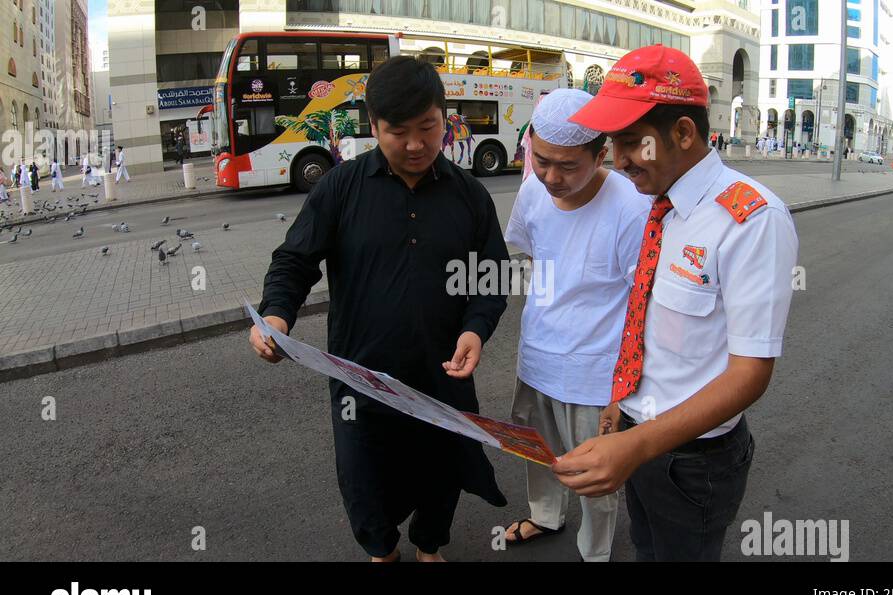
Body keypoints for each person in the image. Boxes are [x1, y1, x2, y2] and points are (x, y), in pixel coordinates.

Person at [251, 56, 509, 563]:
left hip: (443, 376)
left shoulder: (469, 195)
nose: (415, 145)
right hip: (361, 378)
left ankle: (429, 546)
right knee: (364, 477)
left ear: (445, 118)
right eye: (398, 132)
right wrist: (276, 316)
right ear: (373, 126)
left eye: (428, 128)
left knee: (443, 469)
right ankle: (382, 551)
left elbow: (491, 278)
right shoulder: (341, 188)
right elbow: (294, 261)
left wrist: (476, 329)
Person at [560, 44, 799, 561]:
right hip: (636, 438)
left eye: (630, 144)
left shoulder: (753, 220)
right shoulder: (660, 202)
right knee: (646, 549)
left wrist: (636, 445)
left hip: (693, 462)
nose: (618, 161)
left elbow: (750, 372)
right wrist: (618, 407)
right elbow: (650, 320)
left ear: (684, 134)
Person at [501, 89, 650, 561]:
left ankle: (595, 549)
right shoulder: (532, 192)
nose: (551, 176)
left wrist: (620, 390)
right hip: (538, 354)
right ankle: (545, 515)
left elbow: (641, 303)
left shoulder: (630, 204)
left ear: (600, 153)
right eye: (542, 160)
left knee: (594, 471)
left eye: (568, 166)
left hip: (595, 368)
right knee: (537, 448)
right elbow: (535, 257)